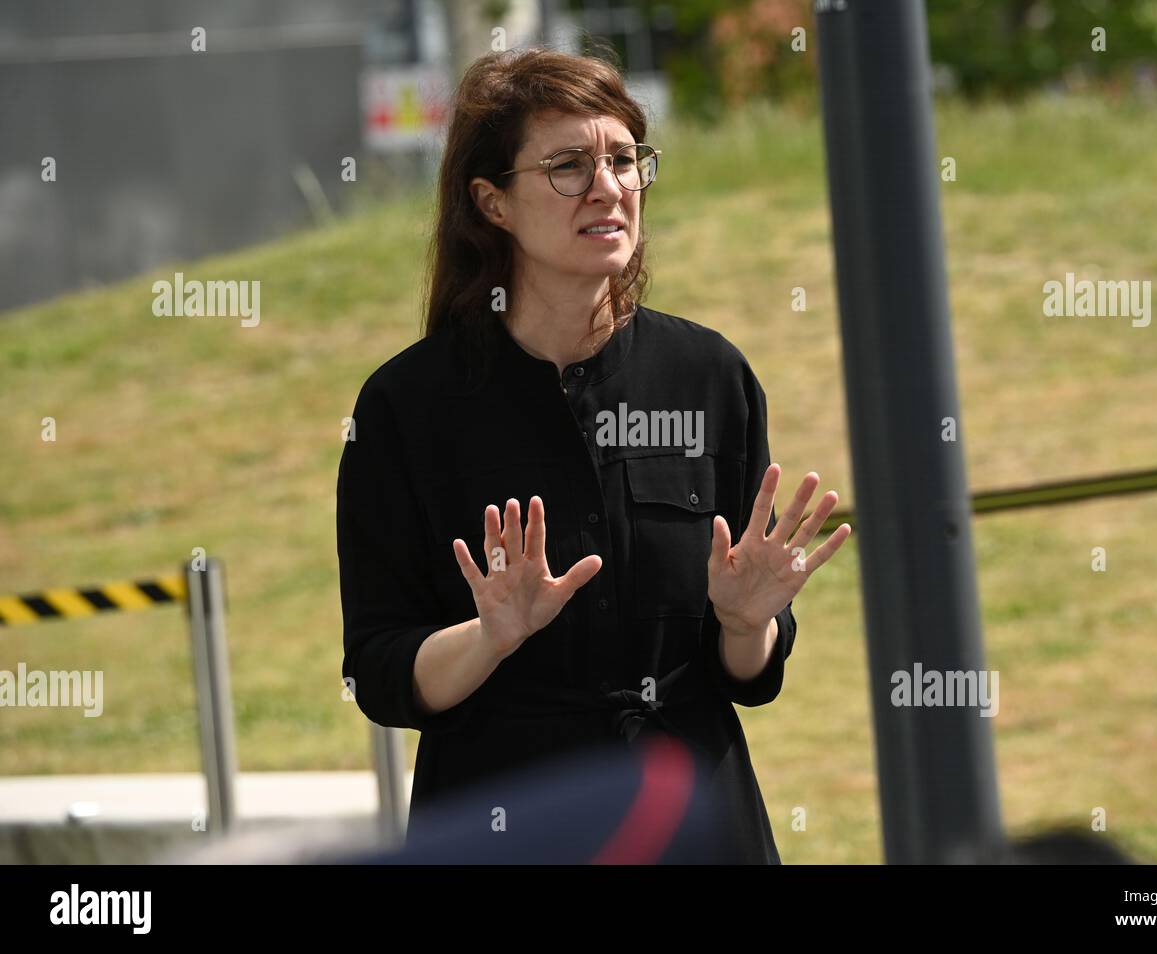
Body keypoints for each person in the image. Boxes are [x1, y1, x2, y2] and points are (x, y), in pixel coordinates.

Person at [336, 45, 852, 864]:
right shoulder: (406, 407)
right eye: (569, 166)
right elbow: (377, 671)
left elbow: (749, 674)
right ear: (491, 202)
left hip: (694, 821)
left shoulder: (710, 375)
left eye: (623, 160)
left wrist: (747, 622)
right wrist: (488, 636)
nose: (609, 186)